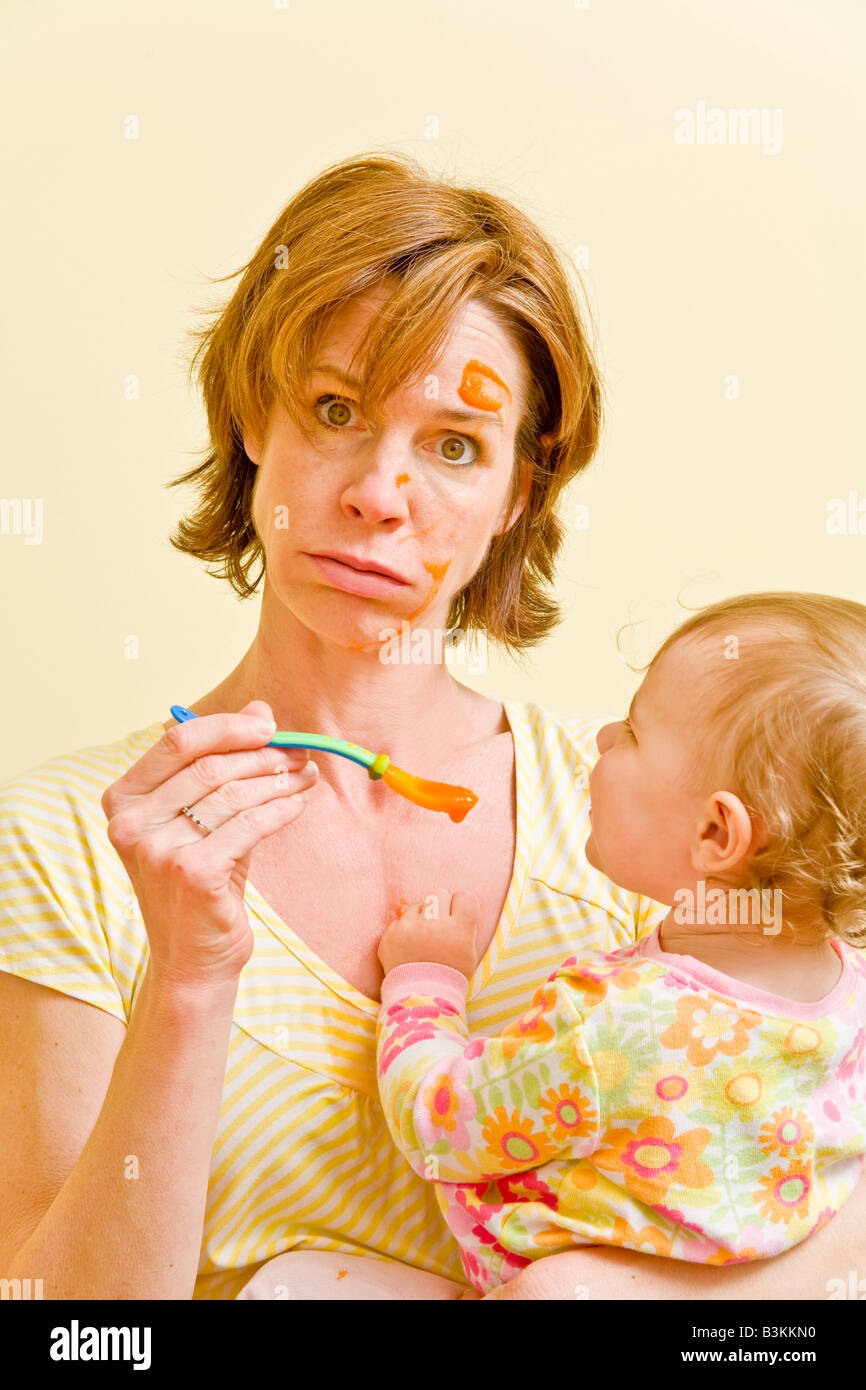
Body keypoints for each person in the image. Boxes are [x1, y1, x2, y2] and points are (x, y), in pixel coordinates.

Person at [1, 153, 863, 1302]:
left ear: (517, 492)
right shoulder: (67, 845)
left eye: (455, 442)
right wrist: (192, 980)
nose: (379, 493)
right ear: (255, 421)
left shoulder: (652, 820)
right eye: (333, 409)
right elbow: (74, 1342)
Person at [363, 592, 866, 1295]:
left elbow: (436, 1126)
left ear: (717, 836)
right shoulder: (850, 996)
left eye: (631, 731)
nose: (599, 737)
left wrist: (425, 981)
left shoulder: (616, 1026)